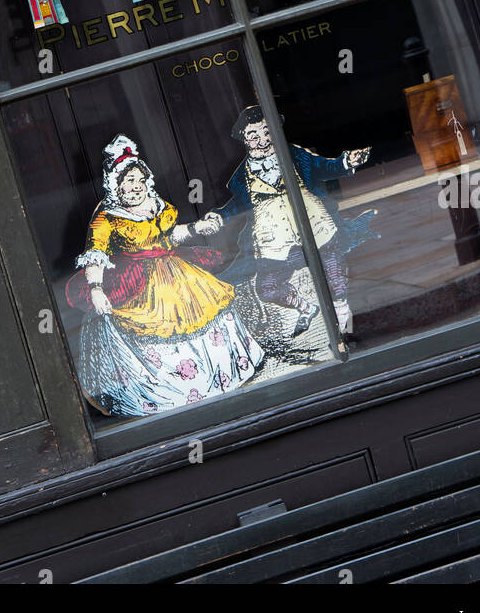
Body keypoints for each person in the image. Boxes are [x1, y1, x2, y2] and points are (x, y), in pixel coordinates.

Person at [66, 135, 264, 417]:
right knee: (155, 326)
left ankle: (220, 381)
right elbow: (95, 255)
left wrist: (198, 228)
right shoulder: (107, 217)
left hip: (175, 271)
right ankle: (178, 395)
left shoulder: (154, 203)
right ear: (116, 185)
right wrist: (96, 288)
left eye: (138, 179)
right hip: (138, 283)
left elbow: (172, 236)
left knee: (205, 312)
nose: (135, 187)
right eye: (127, 182)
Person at [216, 106, 378, 340]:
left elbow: (326, 167)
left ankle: (345, 322)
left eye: (266, 131)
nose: (262, 141)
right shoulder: (242, 177)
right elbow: (237, 206)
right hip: (274, 241)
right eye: (253, 136)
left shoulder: (295, 155)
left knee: (334, 274)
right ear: (244, 139)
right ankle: (305, 308)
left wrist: (346, 162)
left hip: (314, 226)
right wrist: (219, 216)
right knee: (268, 288)